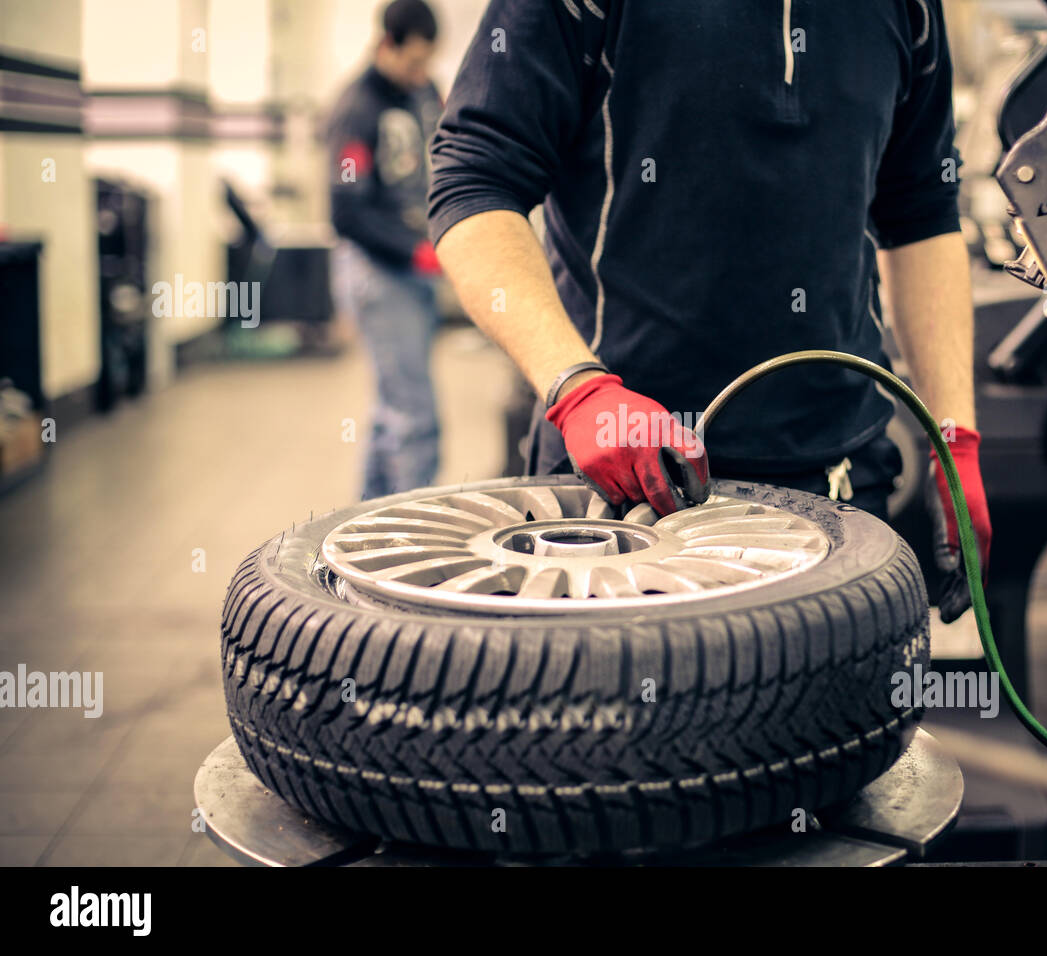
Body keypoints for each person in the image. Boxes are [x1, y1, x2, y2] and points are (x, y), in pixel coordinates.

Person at [427, 0, 992, 621]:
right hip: (621, 497)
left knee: (847, 719)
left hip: (843, 486)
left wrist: (953, 439)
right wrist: (578, 388)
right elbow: (473, 180)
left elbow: (923, 215)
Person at [328, 0, 445, 499]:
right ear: (385, 46)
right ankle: (410, 542)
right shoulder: (358, 108)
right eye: (413, 61)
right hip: (379, 273)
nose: (421, 73)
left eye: (428, 62)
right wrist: (415, 251)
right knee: (415, 420)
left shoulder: (424, 93)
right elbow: (346, 211)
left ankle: (362, 532)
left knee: (390, 415)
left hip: (416, 273)